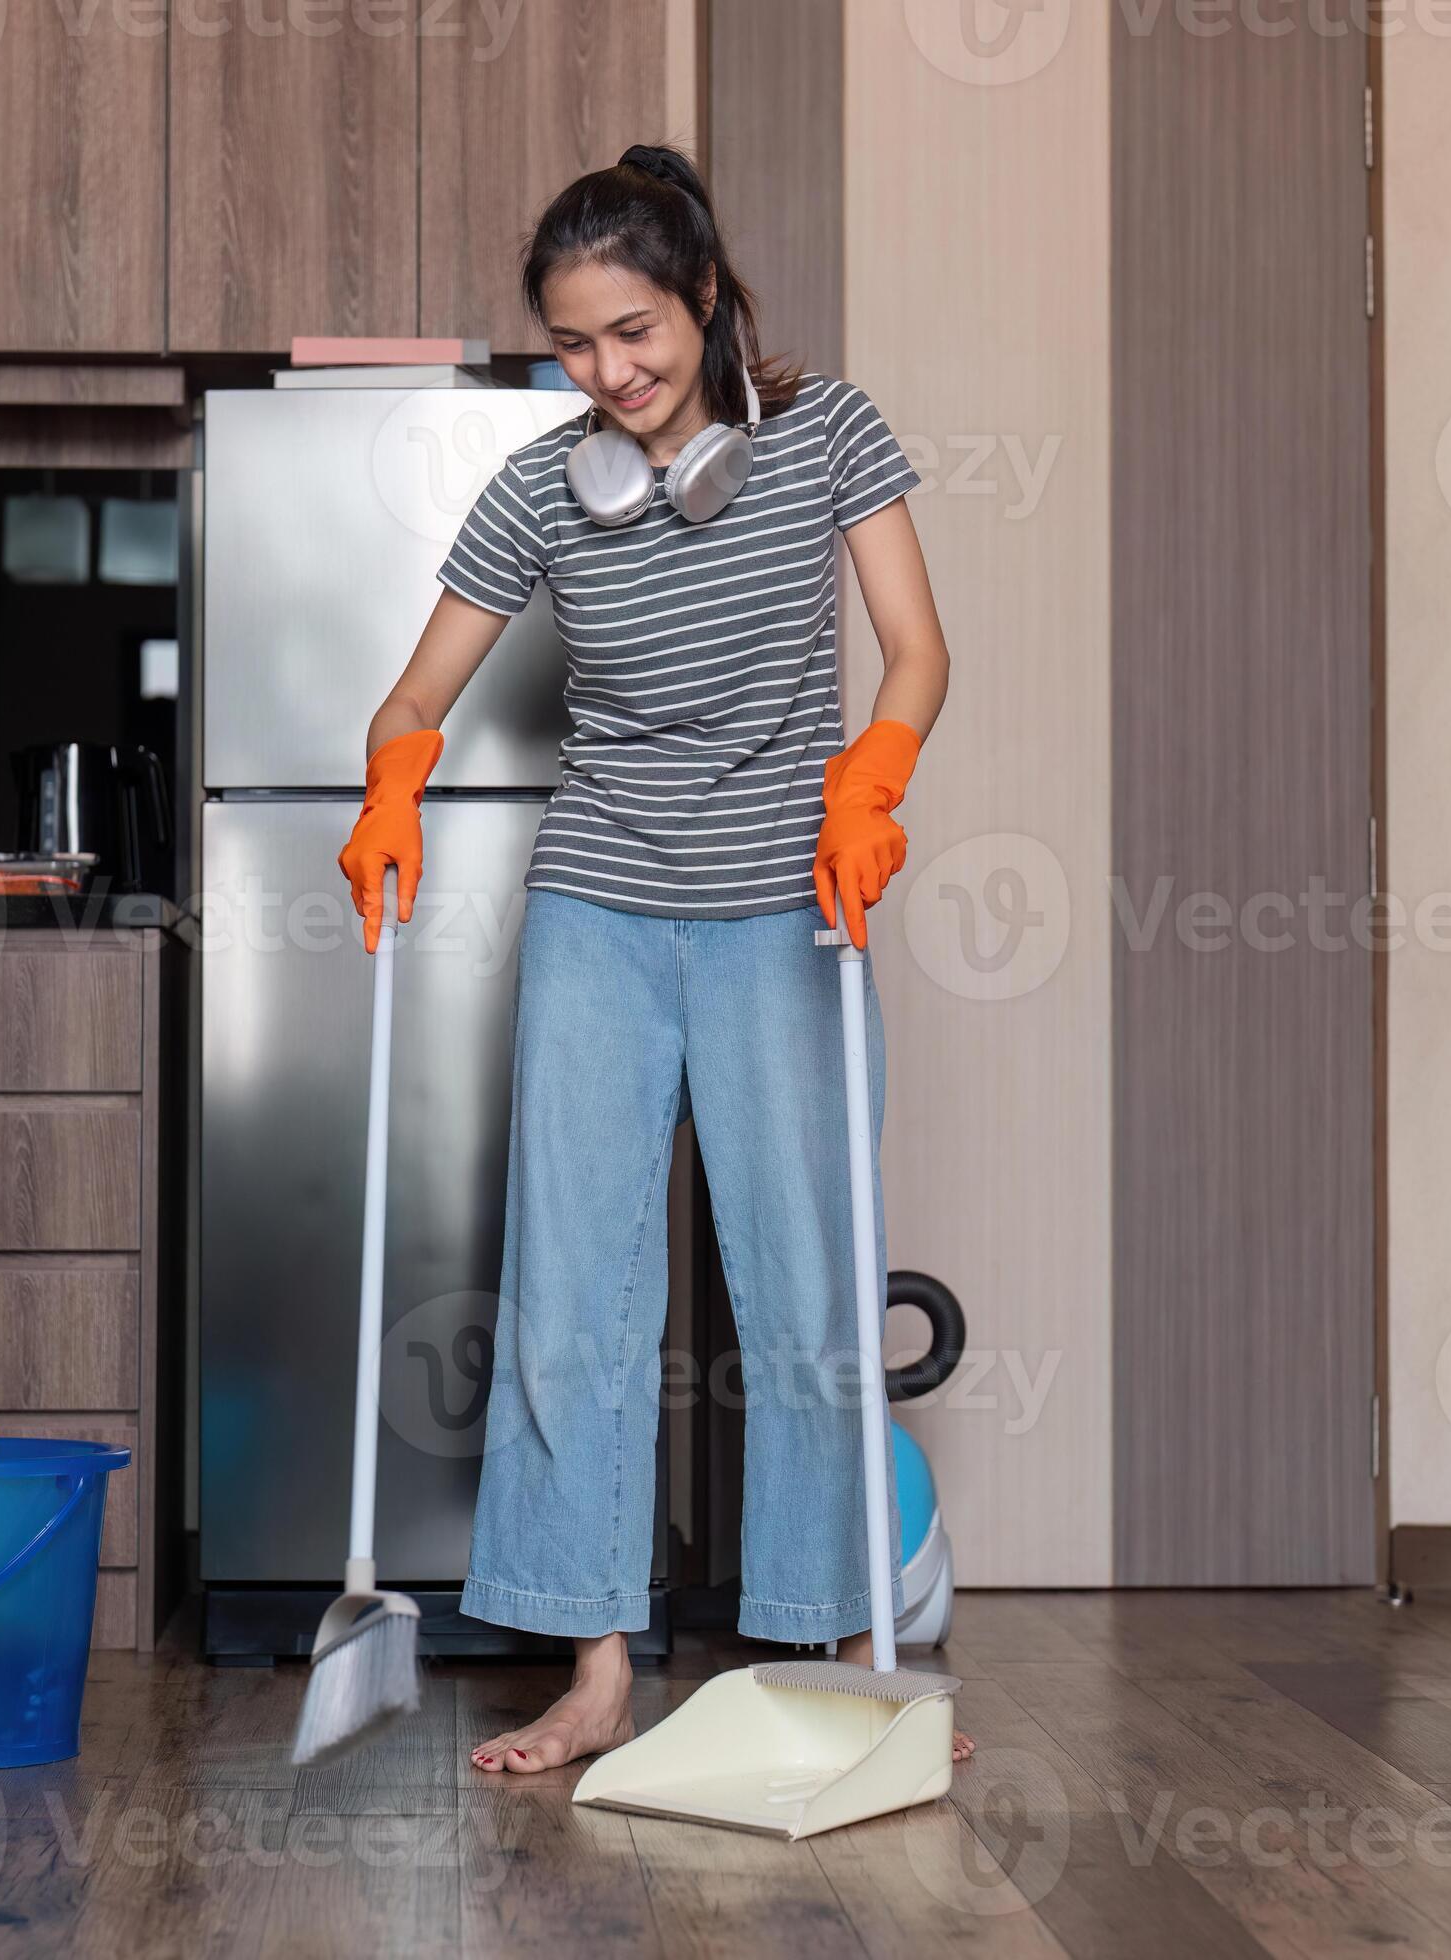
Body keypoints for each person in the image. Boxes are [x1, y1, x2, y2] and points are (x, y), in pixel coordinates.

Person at [338, 145, 966, 1773]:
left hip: (786, 904)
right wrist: (393, 776)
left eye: (634, 331)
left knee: (808, 1285)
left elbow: (916, 651)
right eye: (572, 345)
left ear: (702, 298)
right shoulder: (541, 491)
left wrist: (873, 776)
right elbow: (414, 699)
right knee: (574, 1299)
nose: (609, 373)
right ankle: (598, 1669)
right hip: (601, 915)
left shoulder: (828, 435)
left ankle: (851, 1666)